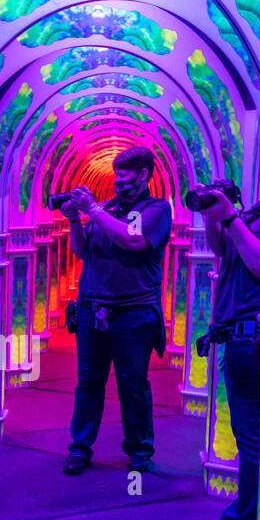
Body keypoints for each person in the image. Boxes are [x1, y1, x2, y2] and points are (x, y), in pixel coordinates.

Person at [60, 146, 171, 475]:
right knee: (88, 383)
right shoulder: (106, 209)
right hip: (92, 310)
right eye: (117, 179)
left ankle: (139, 451)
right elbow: (81, 251)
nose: (120, 185)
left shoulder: (157, 210)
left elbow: (132, 240)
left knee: (132, 383)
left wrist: (92, 209)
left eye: (127, 180)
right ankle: (80, 447)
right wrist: (74, 219)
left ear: (144, 176)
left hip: (134, 313)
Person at [189, 186, 260, 520]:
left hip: (252, 339)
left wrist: (232, 218)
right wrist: (213, 216)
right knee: (251, 441)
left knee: (254, 444)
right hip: (240, 338)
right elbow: (225, 251)